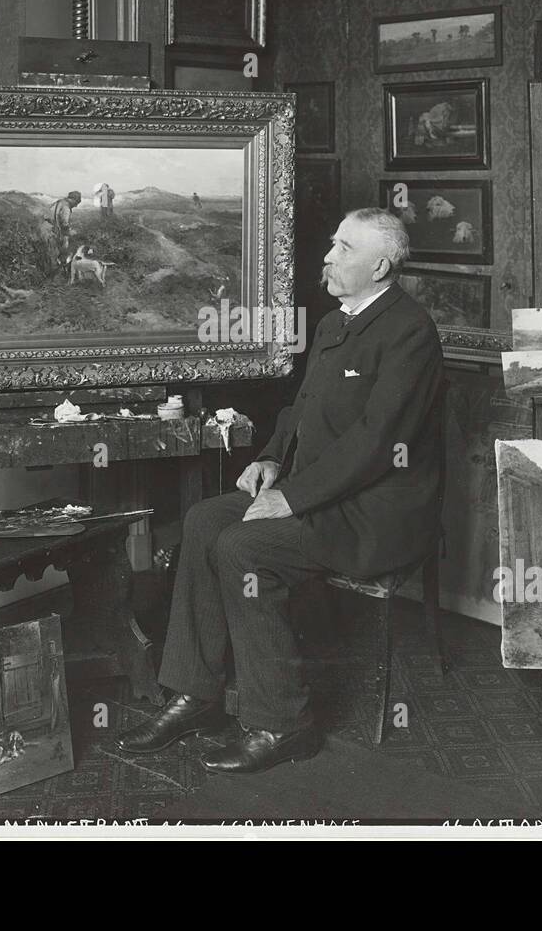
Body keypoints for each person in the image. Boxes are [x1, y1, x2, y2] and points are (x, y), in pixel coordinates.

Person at [115, 208, 444, 774]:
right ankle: (194, 694)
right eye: (333, 244)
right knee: (203, 521)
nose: (328, 256)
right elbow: (302, 409)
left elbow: (374, 443)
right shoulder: (335, 321)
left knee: (244, 547)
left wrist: (290, 499)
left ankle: (282, 724)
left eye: (343, 249)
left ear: (381, 265)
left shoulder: (409, 332)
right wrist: (270, 459)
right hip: (320, 491)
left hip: (376, 513)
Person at [51, 190, 81, 271]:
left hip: (48, 227)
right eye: (77, 203)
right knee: (67, 242)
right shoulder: (66, 208)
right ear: (73, 200)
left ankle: (59, 263)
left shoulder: (59, 202)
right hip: (53, 231)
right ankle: (64, 264)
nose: (76, 206)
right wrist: (71, 231)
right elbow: (64, 224)